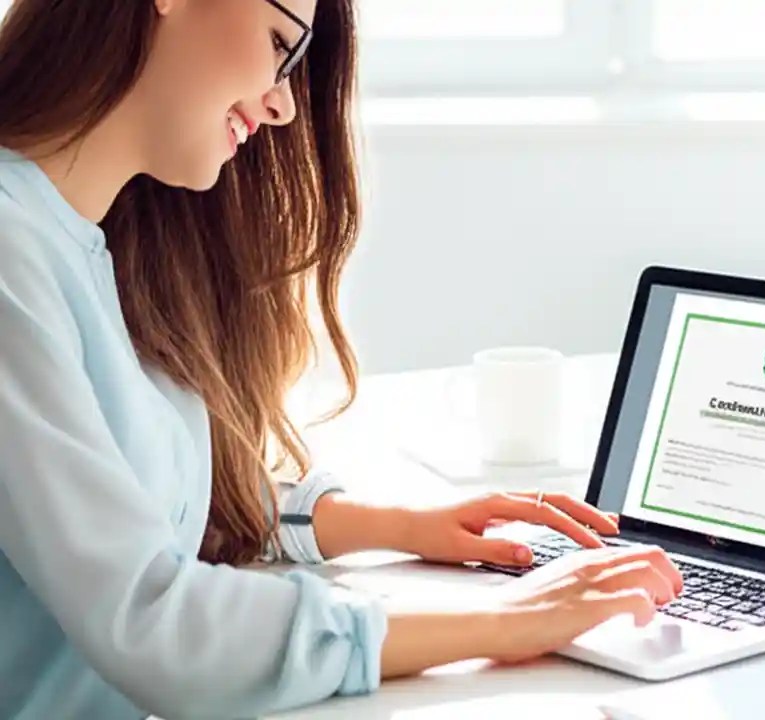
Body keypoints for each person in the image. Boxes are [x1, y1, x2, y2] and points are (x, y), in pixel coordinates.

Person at [0, 1, 683, 717]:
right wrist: (508, 622)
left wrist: (396, 525)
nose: (284, 106)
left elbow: (121, 488)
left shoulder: (78, 241)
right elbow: (153, 622)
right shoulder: (15, 253)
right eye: (277, 44)